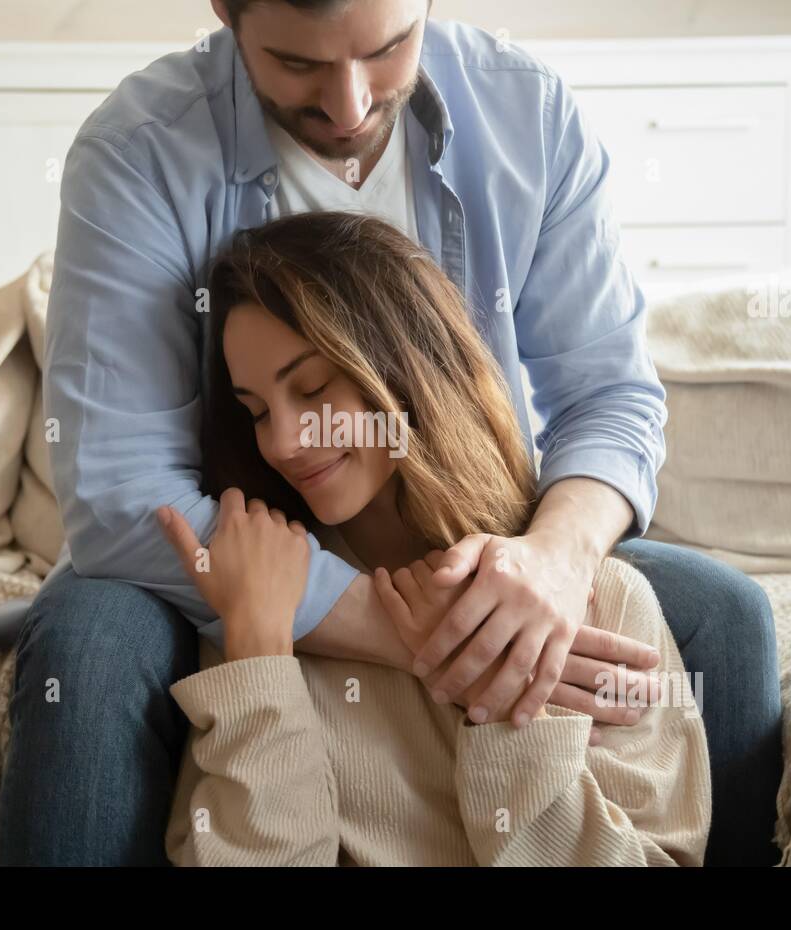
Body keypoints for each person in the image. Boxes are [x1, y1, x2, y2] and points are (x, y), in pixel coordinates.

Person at [0, 0, 782, 867]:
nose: (350, 105)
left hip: (477, 525)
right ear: (224, 10)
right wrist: (439, 639)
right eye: (298, 65)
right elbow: (118, 491)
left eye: (388, 49)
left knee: (725, 614)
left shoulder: (527, 111)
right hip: (238, 547)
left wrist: (550, 565)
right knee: (91, 641)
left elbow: (611, 396)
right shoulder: (138, 149)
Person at [156, 210, 711, 865]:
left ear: (406, 369)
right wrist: (256, 654)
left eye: (311, 389)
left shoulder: (609, 604)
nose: (281, 441)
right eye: (255, 413)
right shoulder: (267, 598)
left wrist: (500, 697)